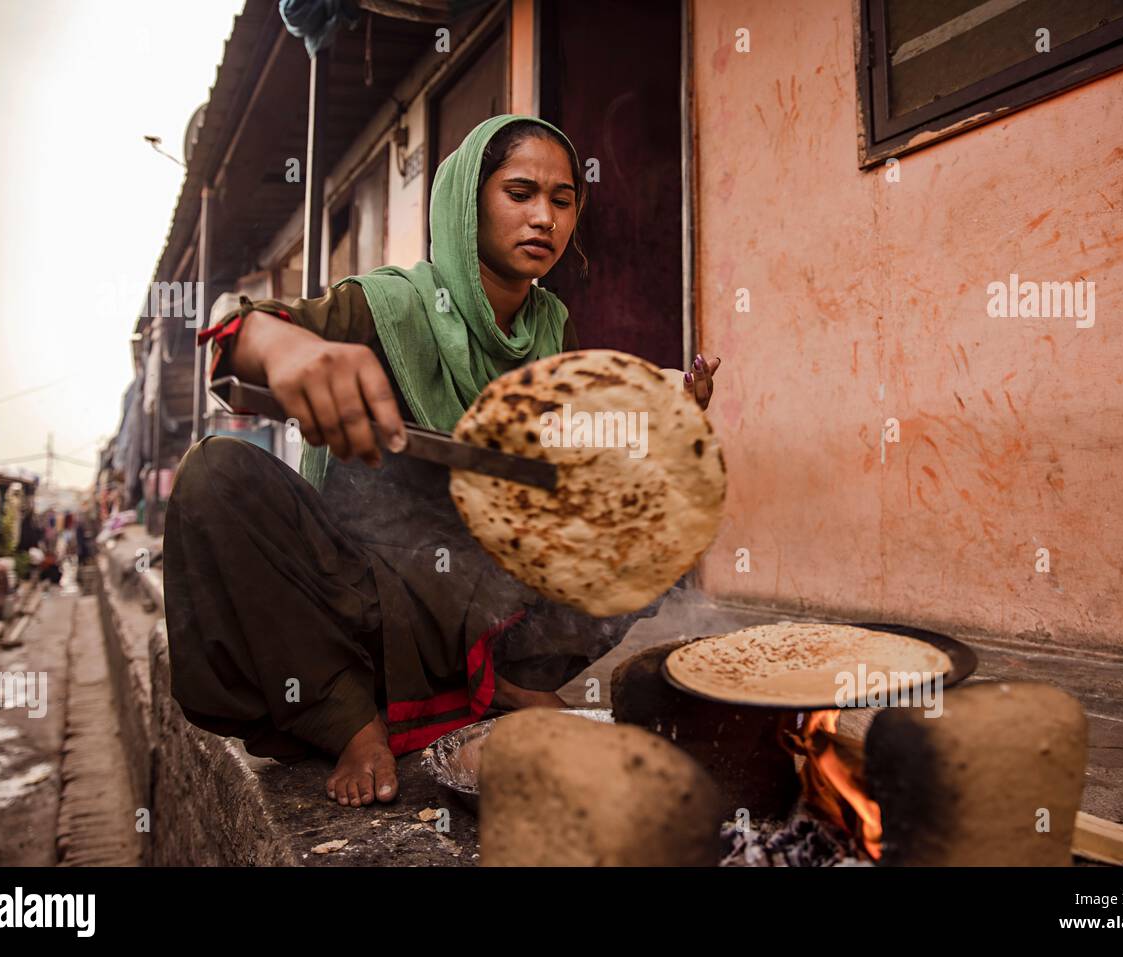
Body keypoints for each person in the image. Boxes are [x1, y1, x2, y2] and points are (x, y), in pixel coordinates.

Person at [163, 115, 721, 808]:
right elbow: (232, 327)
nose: (543, 216)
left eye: (563, 198)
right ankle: (349, 715)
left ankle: (503, 677)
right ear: (468, 201)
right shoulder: (389, 304)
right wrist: (282, 347)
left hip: (488, 591)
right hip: (364, 594)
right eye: (520, 192)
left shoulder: (553, 329)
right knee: (214, 474)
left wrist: (661, 422)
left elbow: (564, 469)